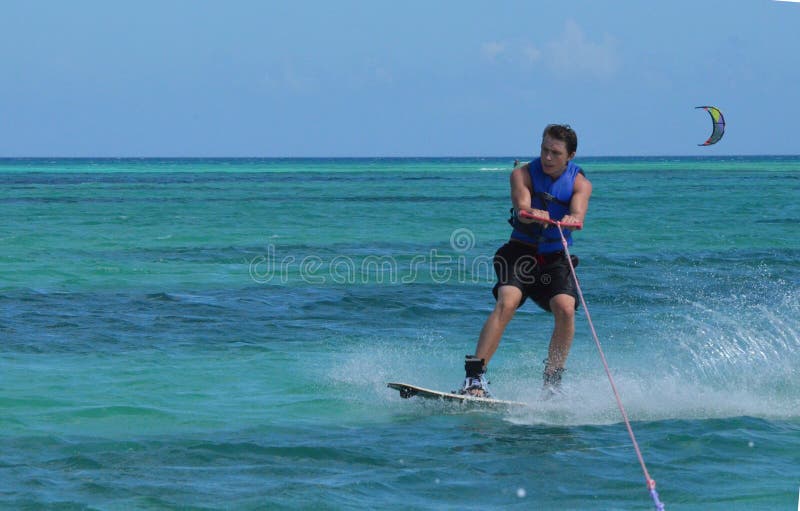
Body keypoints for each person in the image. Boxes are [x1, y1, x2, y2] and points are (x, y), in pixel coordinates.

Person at [461, 124, 592, 397]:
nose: (547, 157)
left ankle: (552, 382)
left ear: (570, 155)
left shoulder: (581, 183)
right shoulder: (521, 174)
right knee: (507, 302)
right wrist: (530, 213)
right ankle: (474, 379)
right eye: (544, 150)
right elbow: (522, 206)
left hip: (556, 257)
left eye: (555, 153)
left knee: (566, 309)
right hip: (520, 252)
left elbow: (579, 212)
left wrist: (572, 219)